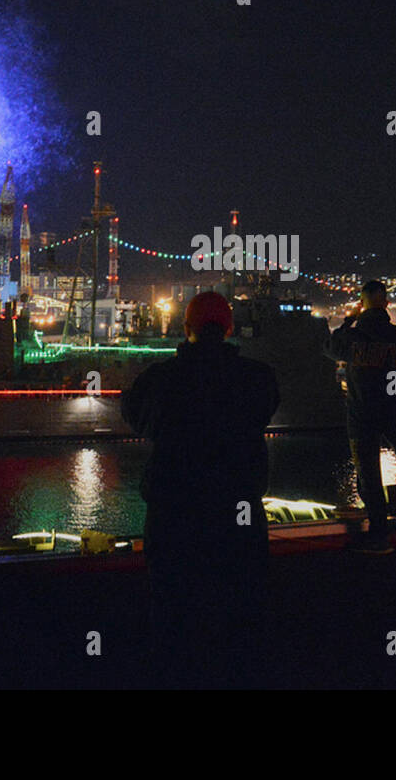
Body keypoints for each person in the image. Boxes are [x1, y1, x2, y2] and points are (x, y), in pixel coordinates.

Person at [121, 290, 280, 686]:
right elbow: (264, 408)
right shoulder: (257, 378)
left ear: (186, 326)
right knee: (241, 609)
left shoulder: (159, 380)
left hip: (174, 514)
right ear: (227, 328)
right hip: (237, 515)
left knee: (172, 611)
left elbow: (135, 417)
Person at [325, 280, 396, 554]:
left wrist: (349, 320)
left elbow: (329, 347)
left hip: (361, 411)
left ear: (361, 303)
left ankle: (378, 533)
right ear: (386, 303)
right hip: (393, 404)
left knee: (368, 470)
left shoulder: (351, 337)